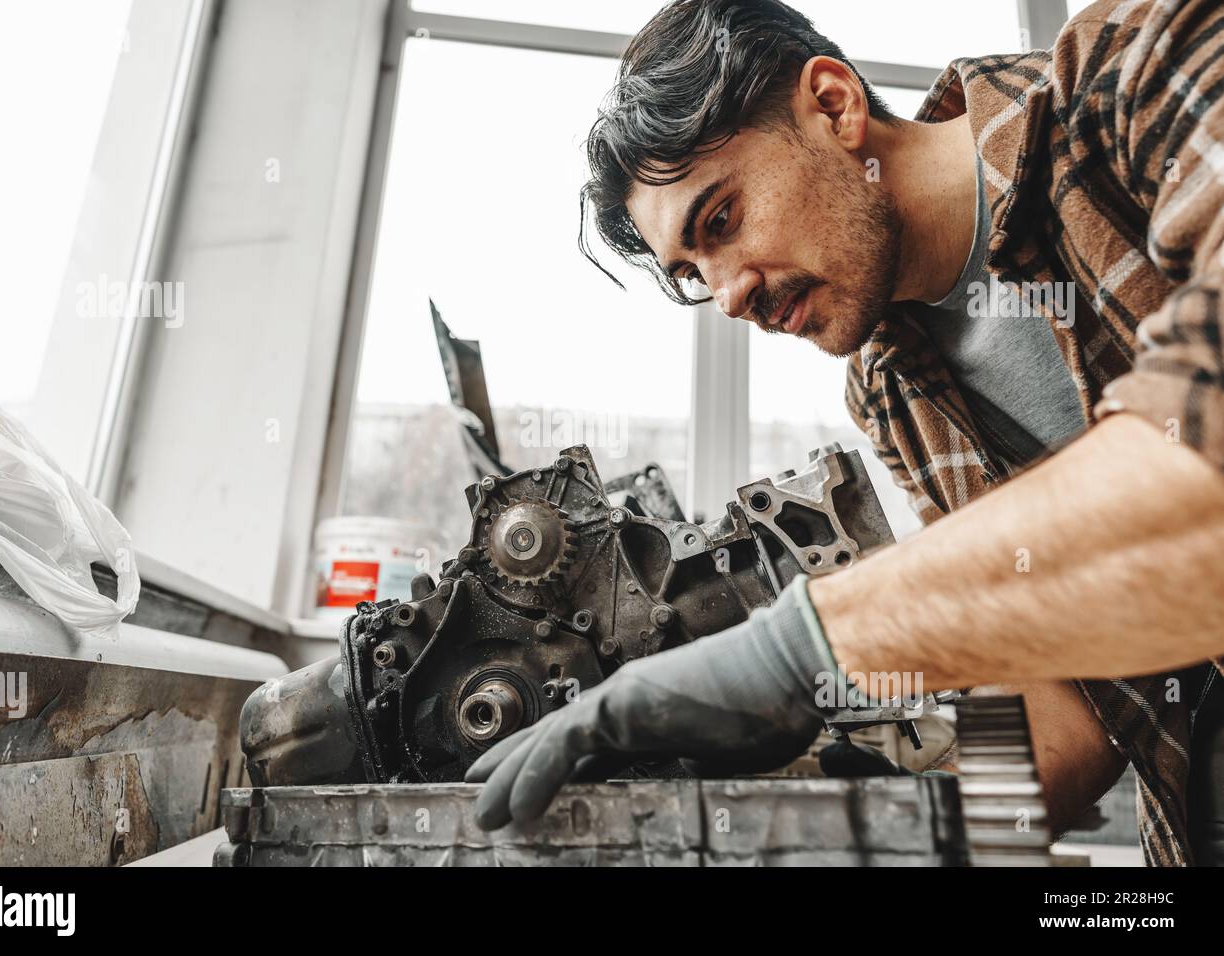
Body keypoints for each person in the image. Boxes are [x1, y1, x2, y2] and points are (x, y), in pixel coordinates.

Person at [466, 0, 1224, 865]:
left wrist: (796, 650)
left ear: (833, 105)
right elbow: (1065, 698)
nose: (727, 296)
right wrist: (839, 821)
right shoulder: (890, 391)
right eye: (691, 275)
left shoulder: (1139, 73)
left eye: (721, 220)